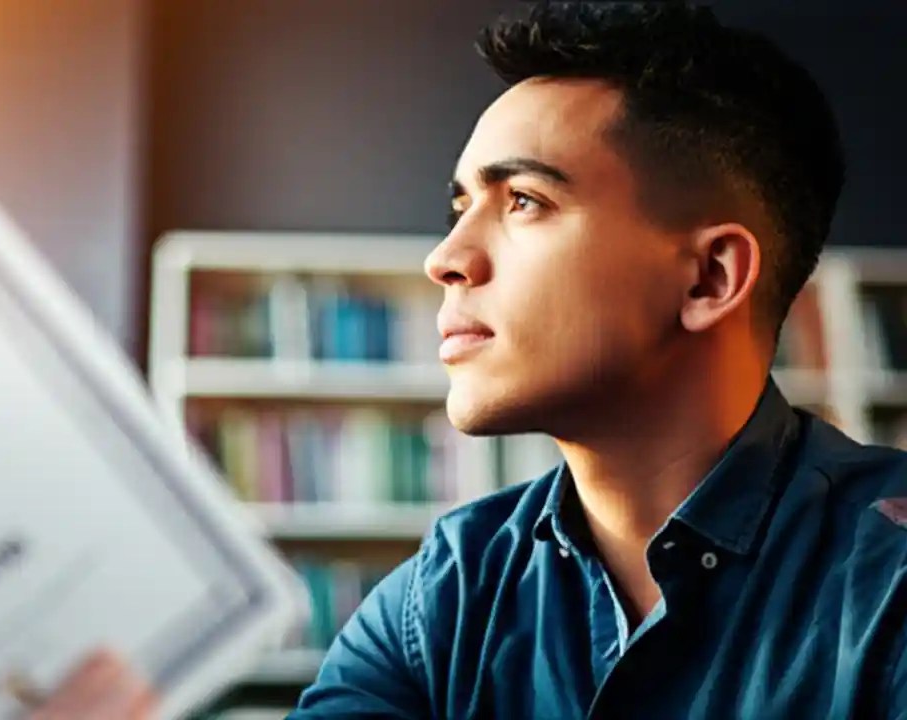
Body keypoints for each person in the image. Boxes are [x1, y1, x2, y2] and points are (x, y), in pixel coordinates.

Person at [289, 2, 907, 719]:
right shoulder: (443, 598)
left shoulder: (889, 580)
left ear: (709, 278)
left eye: (523, 200)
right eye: (461, 208)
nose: (445, 258)